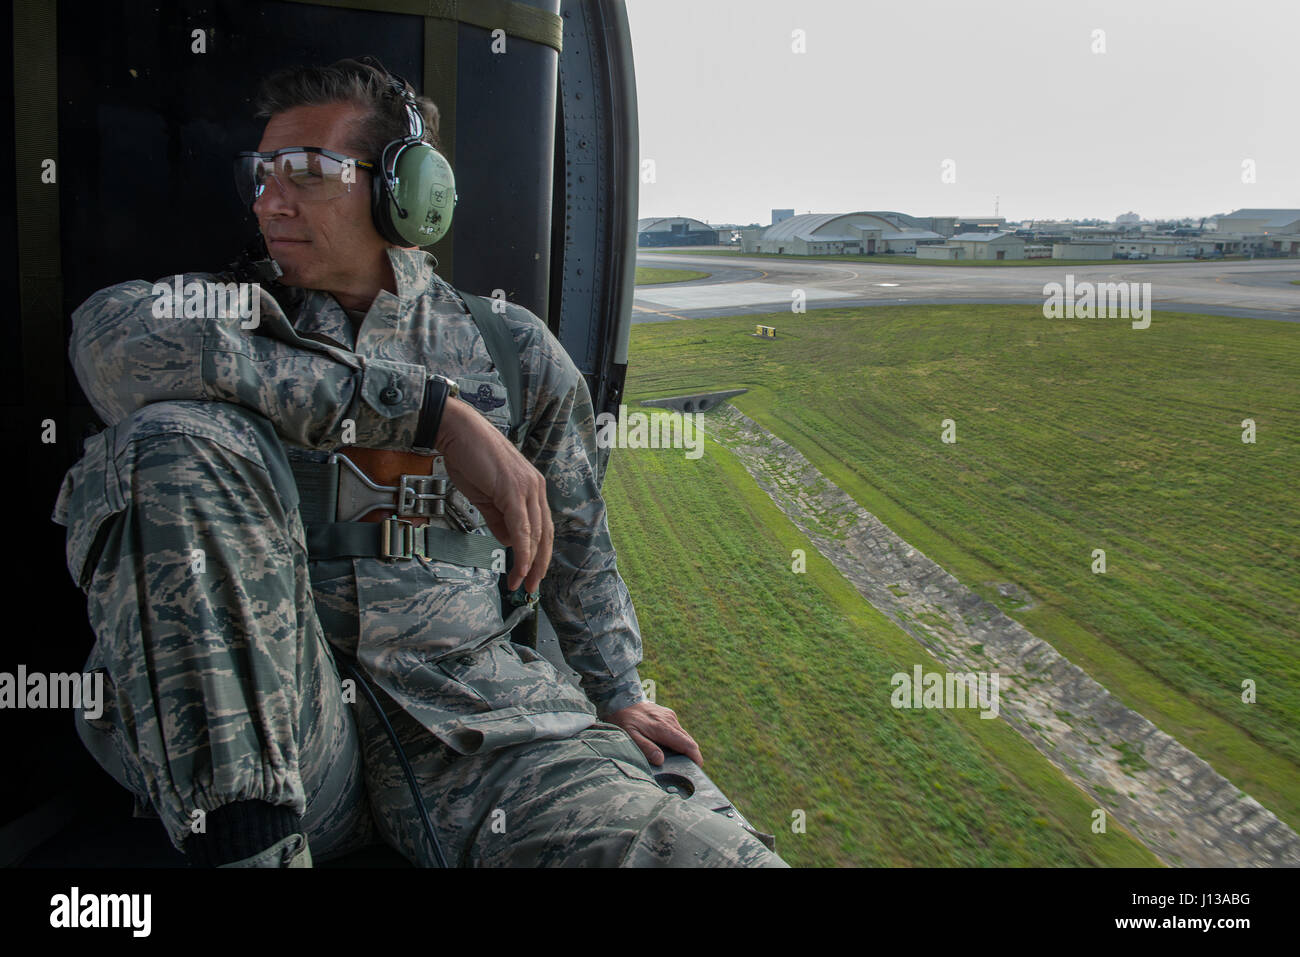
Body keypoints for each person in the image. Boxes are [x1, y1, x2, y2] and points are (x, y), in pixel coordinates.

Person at [51, 57, 785, 868]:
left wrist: (619, 691)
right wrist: (428, 414)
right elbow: (105, 342)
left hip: (476, 724)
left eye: (305, 172)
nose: (268, 201)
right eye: (259, 175)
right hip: (281, 732)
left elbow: (579, 542)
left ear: (404, 192)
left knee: (701, 856)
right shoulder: (218, 322)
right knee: (174, 439)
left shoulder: (514, 352)